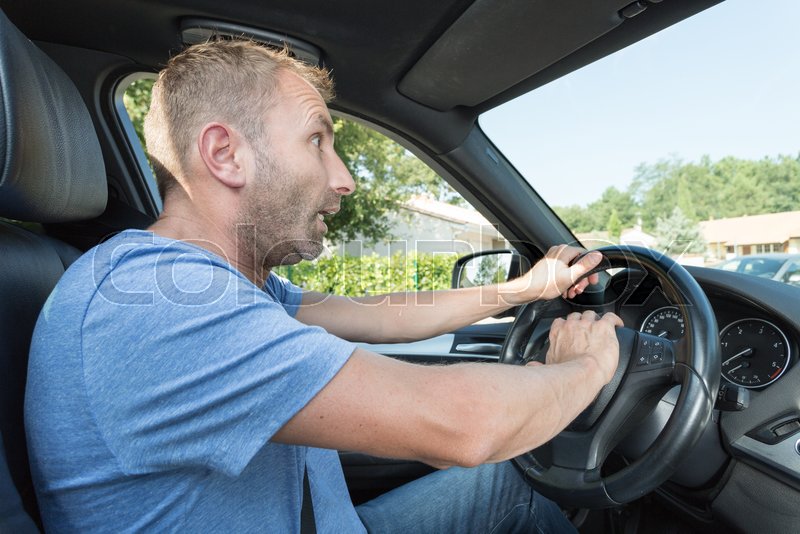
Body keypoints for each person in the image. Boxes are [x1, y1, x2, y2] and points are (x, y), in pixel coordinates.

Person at [25, 39, 622, 533]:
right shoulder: (153, 301)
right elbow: (462, 427)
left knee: (502, 485)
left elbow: (381, 315)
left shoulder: (221, 286)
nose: (345, 179)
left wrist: (522, 291)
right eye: (317, 139)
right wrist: (587, 367)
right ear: (225, 154)